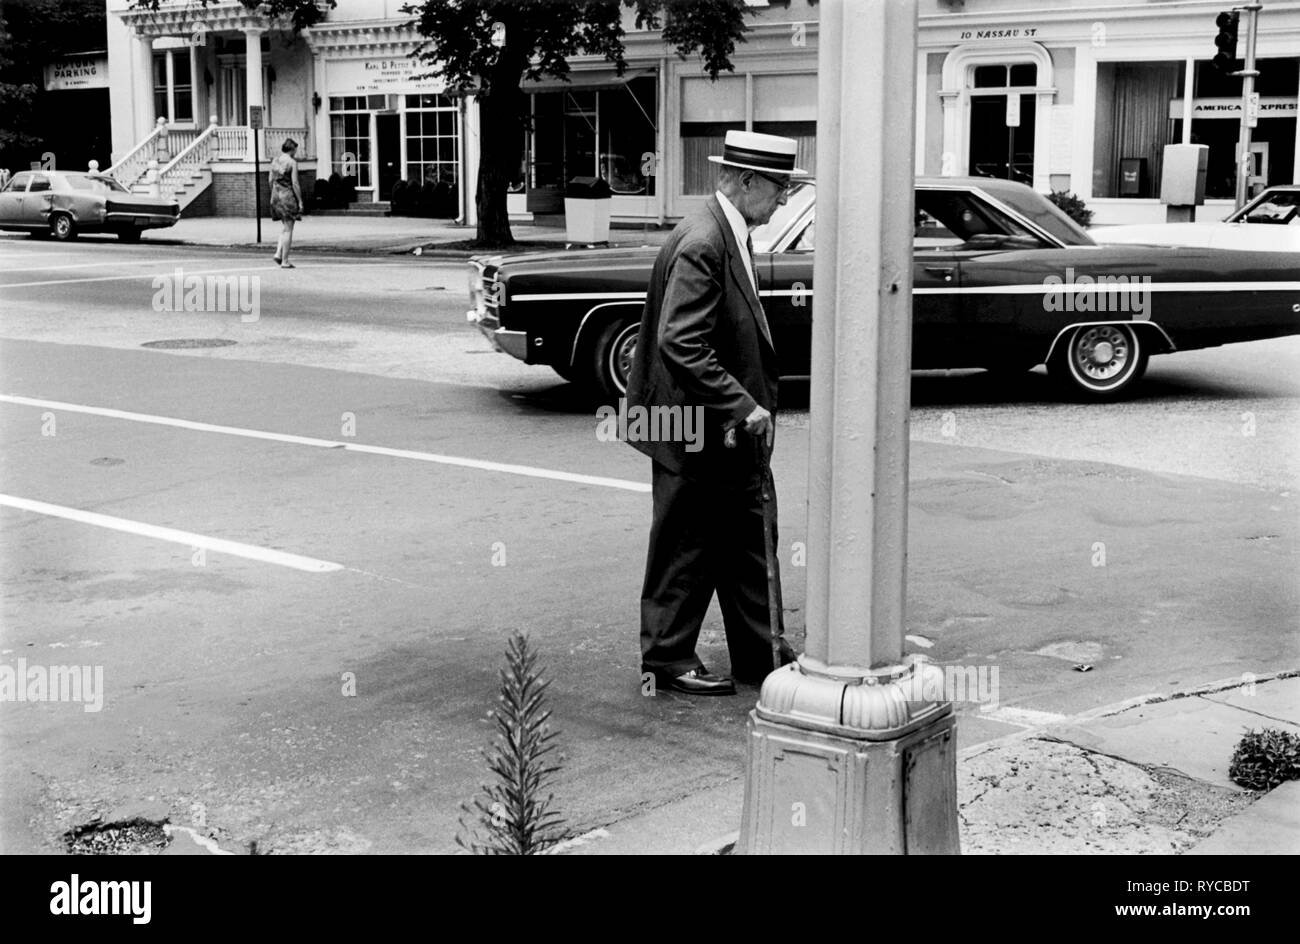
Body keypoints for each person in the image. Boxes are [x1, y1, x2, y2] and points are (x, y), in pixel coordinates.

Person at [625, 130, 807, 696]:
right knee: (688, 542)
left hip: (709, 426)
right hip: (695, 425)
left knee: (747, 535)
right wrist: (742, 404)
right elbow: (682, 342)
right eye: (780, 188)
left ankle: (763, 653)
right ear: (747, 181)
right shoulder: (706, 239)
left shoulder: (726, 230)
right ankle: (667, 660)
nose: (784, 200)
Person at [268, 139, 303, 268]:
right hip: (287, 197)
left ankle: (278, 253)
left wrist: (274, 191)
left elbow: (270, 179)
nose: (295, 152)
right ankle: (285, 260)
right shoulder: (292, 163)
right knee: (289, 229)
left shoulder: (275, 161)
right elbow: (295, 183)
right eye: (295, 150)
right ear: (292, 149)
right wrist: (300, 201)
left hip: (276, 196)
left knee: (284, 227)